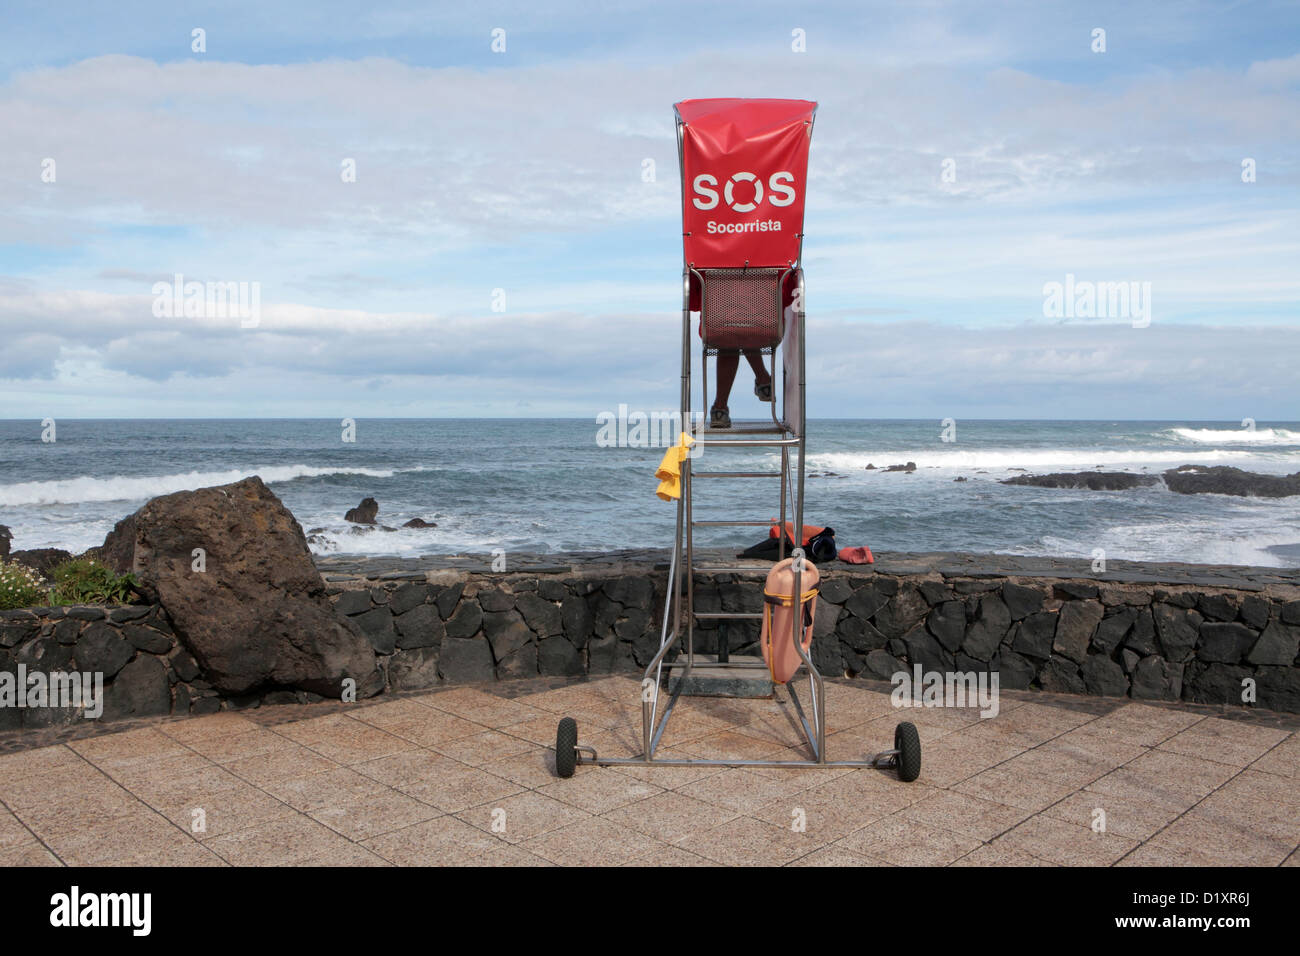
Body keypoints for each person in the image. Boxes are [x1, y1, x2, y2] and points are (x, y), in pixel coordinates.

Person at [711, 349, 772, 429]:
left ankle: (719, 410)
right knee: (745, 337)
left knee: (727, 340)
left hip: (716, 337)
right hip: (763, 337)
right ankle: (764, 382)